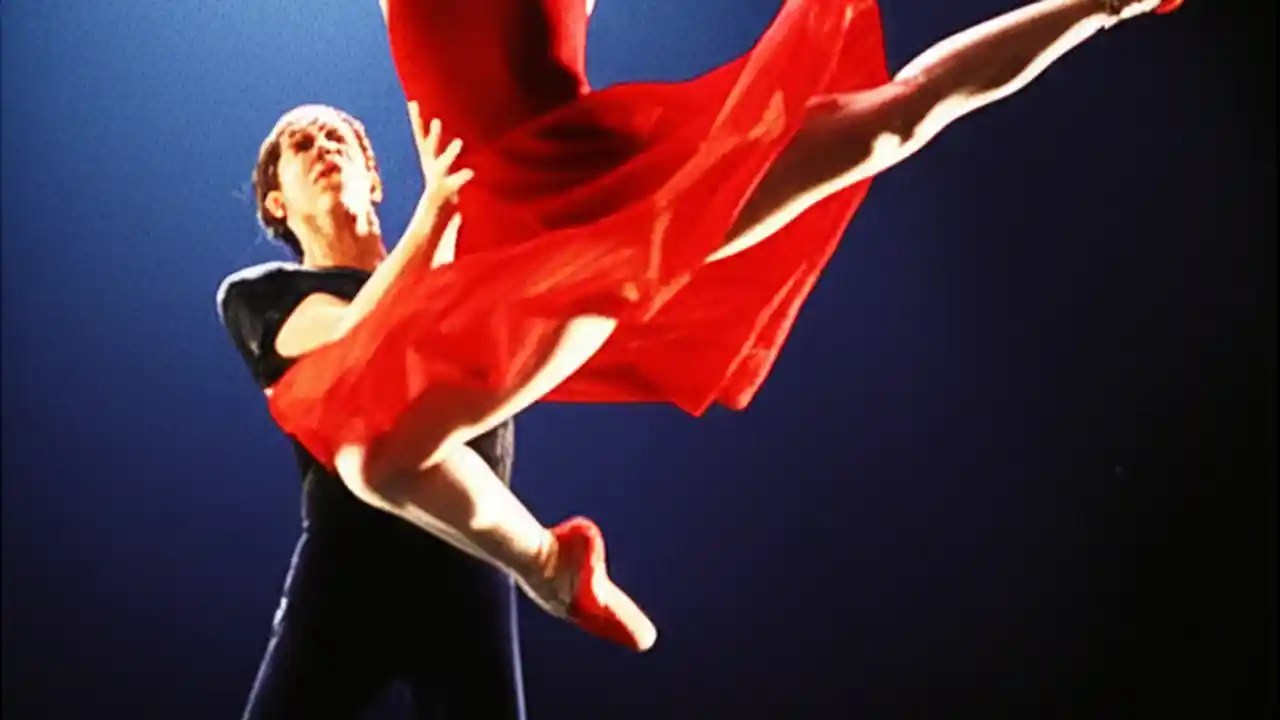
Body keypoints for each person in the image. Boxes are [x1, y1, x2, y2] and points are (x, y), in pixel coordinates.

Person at [256, 0, 1183, 654]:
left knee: (890, 123)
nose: (325, 148)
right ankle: (549, 565)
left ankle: (1106, 1)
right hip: (519, 242)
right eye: (303, 147)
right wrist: (432, 231)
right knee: (371, 455)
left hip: (629, 175)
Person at [217, 108, 527, 719]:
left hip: (467, 560)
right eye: (301, 144)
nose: (323, 146)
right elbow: (356, 331)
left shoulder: (459, 282)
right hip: (348, 570)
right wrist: (434, 216)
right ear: (277, 203)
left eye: (338, 137)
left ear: (375, 180)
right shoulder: (258, 295)